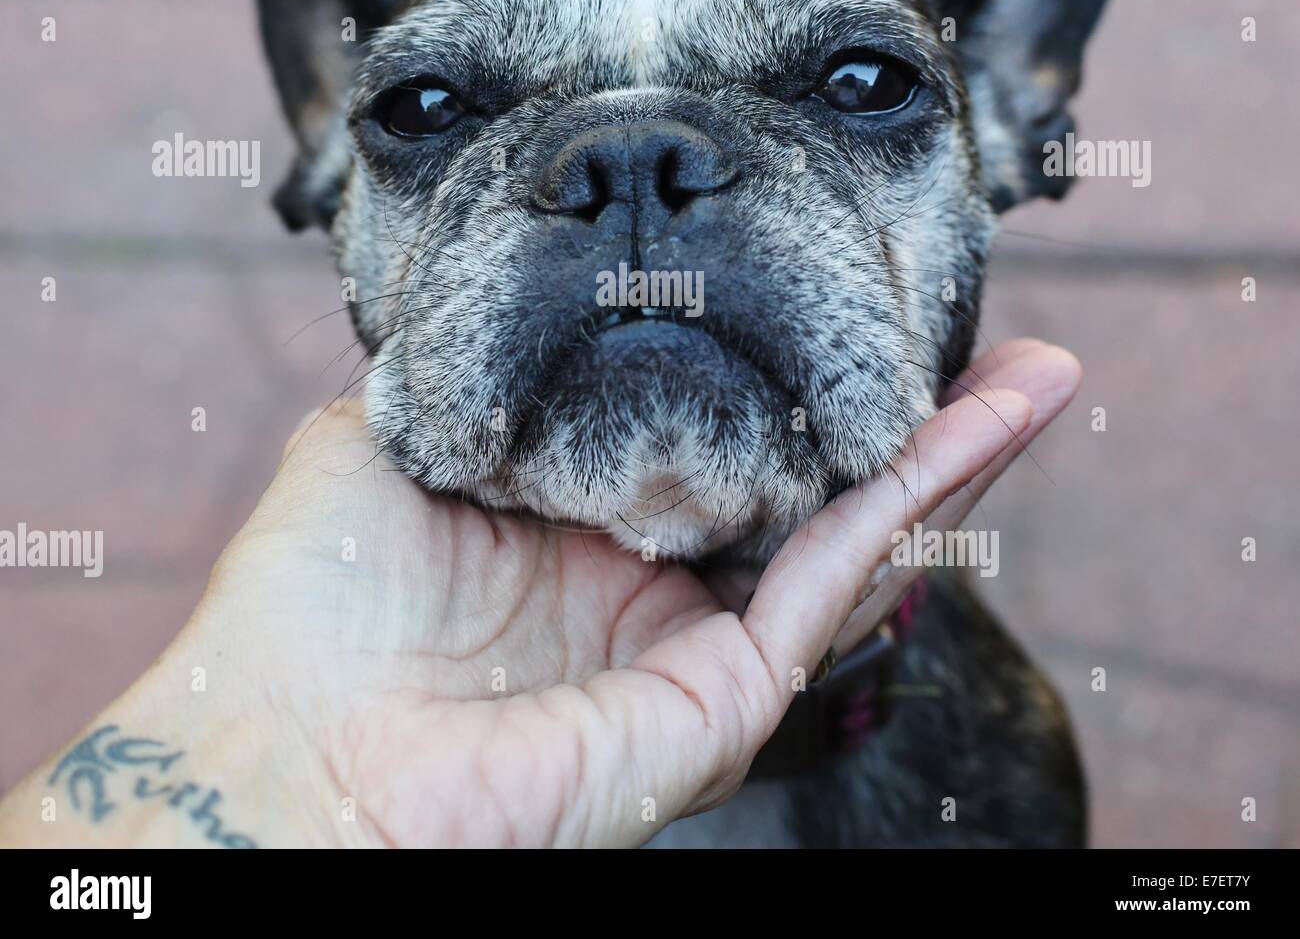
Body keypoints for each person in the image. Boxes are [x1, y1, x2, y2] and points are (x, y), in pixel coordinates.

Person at [0, 339, 1079, 848]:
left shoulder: (999, 787)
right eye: (430, 110)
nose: (639, 198)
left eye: (859, 82)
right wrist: (307, 773)